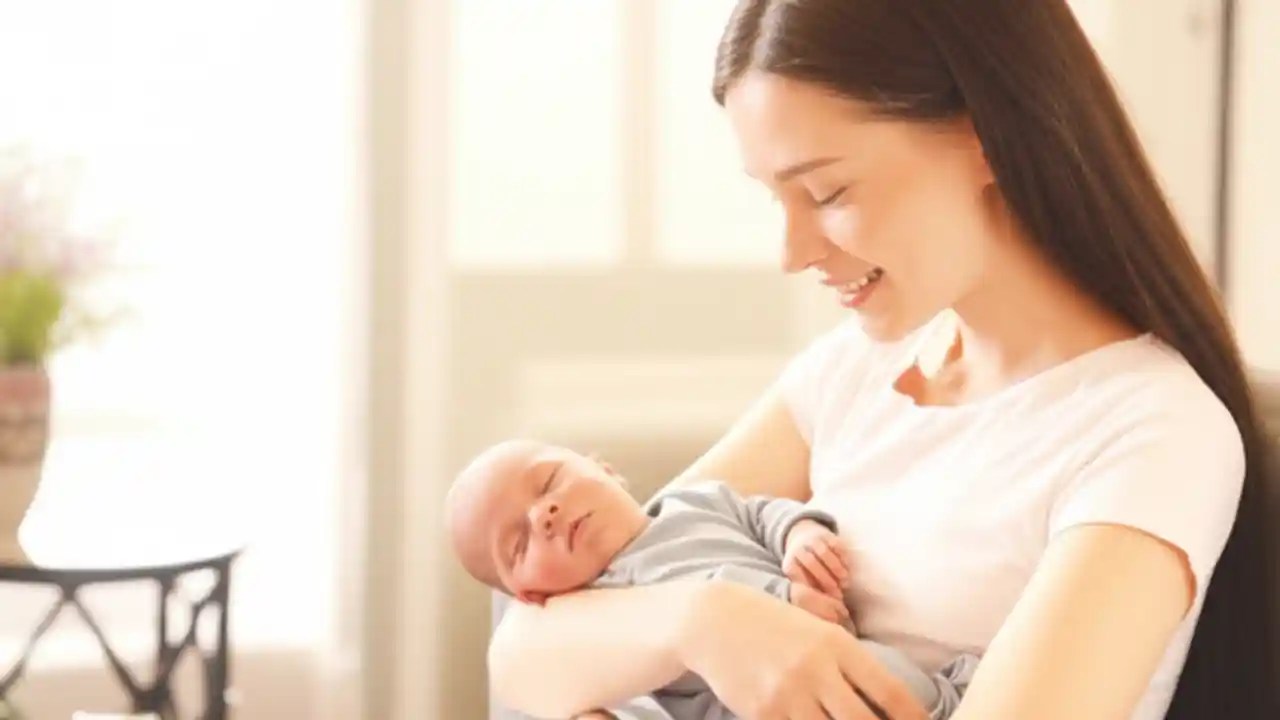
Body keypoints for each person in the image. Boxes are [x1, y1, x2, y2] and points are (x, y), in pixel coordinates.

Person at [488, 1, 1278, 718]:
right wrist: (708, 622)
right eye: (776, 199)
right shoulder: (852, 376)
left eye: (827, 193)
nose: (793, 252)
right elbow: (527, 649)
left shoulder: (1154, 432)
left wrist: (664, 643)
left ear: (984, 139)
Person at [448, 439, 977, 719]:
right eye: (519, 544)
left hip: (846, 653)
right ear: (532, 594)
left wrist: (800, 537)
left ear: (605, 469)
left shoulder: (696, 503)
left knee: (891, 676)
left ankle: (947, 700)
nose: (544, 514)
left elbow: (763, 514)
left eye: (549, 481)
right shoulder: (604, 608)